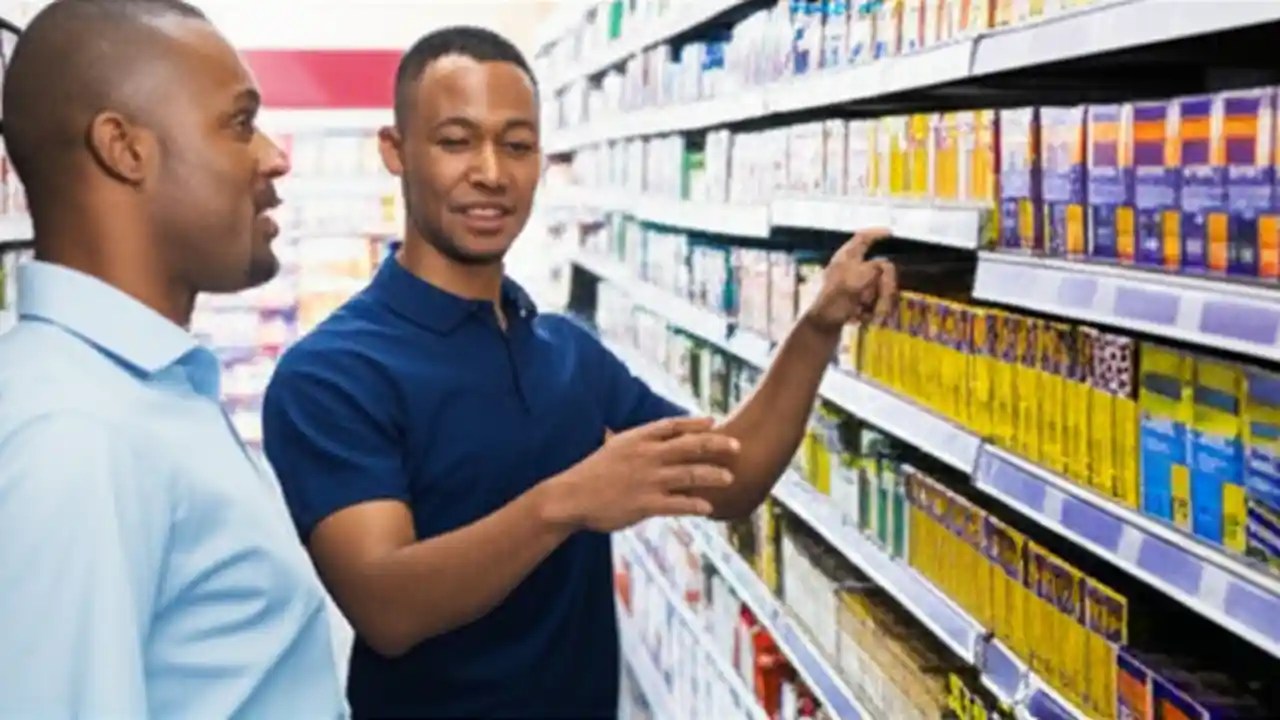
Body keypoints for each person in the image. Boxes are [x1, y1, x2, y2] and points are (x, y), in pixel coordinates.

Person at [261, 25, 896, 720]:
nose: (492, 173)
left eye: (517, 144)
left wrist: (817, 327)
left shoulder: (564, 350)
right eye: (455, 141)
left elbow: (732, 479)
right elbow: (387, 606)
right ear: (396, 151)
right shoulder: (332, 373)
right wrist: (565, 503)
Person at [0, 1, 344, 717]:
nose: (274, 156)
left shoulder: (141, 390)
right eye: (241, 124)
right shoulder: (74, 437)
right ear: (124, 149)